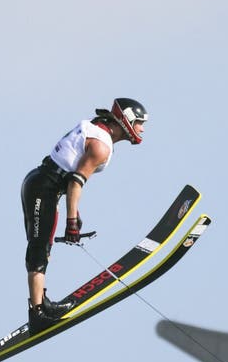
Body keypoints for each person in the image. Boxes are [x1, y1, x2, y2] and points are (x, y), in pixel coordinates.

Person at [21, 98, 148, 334]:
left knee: (44, 247)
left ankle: (42, 303)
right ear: (126, 120)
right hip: (43, 189)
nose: (141, 128)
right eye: (139, 122)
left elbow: (70, 172)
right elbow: (74, 181)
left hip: (42, 185)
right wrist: (71, 221)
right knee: (39, 250)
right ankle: (37, 314)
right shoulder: (102, 146)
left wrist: (74, 214)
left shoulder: (98, 128)